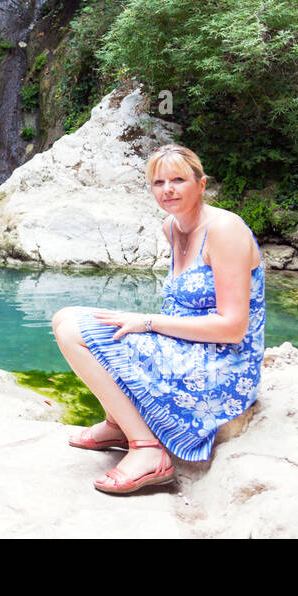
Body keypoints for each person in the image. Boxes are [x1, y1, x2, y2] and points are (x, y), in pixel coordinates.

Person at [51, 143, 266, 494]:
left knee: (77, 330)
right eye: (158, 182)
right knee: (64, 318)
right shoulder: (173, 227)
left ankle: (148, 450)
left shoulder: (225, 230)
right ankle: (118, 422)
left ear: (201, 184)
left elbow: (232, 327)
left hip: (222, 365)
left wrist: (147, 323)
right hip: (184, 346)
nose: (167, 190)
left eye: (178, 180)